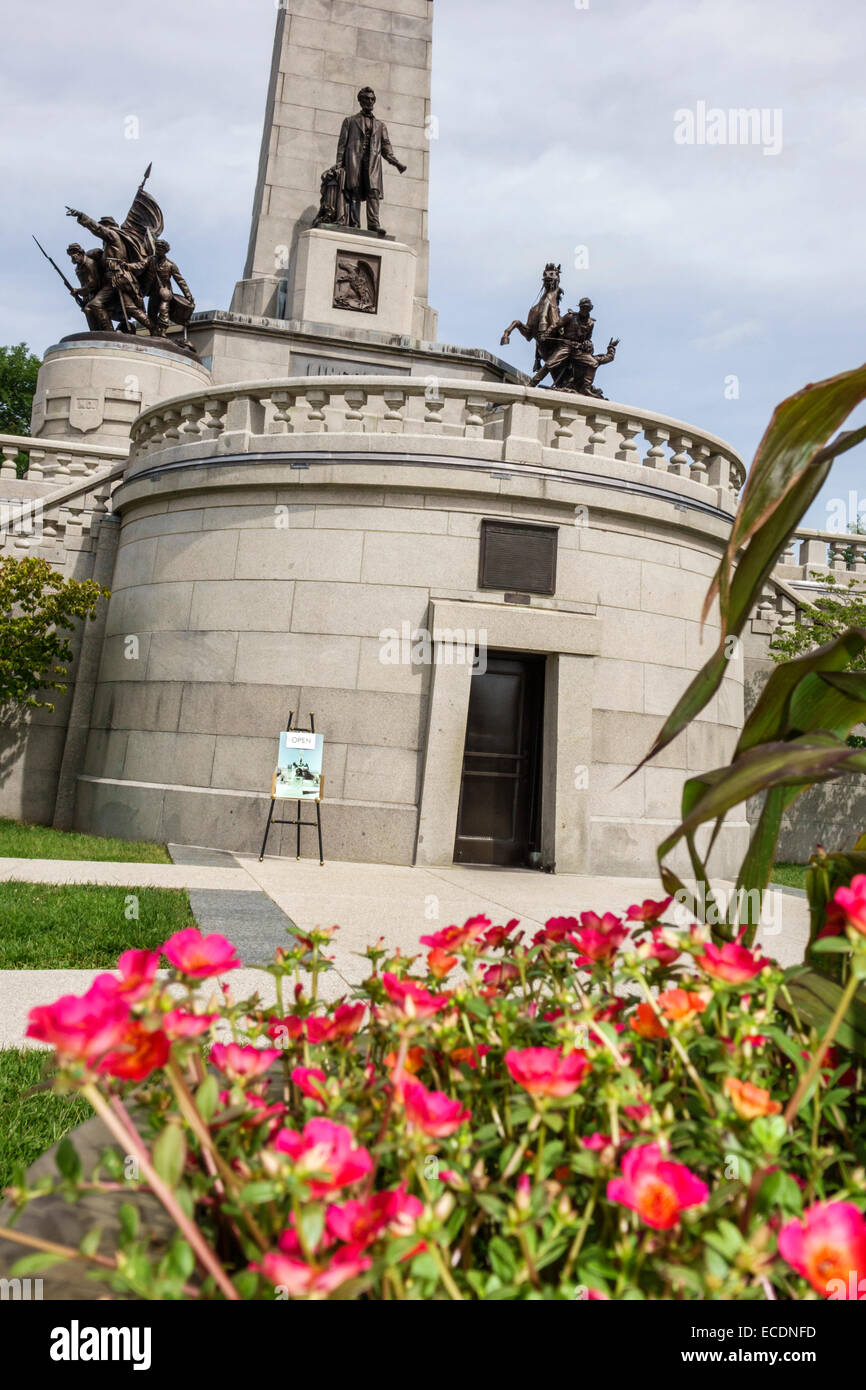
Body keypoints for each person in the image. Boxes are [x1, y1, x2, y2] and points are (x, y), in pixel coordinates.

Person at [335, 87, 406, 235]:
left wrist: (397, 163)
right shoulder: (350, 121)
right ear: (360, 101)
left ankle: (374, 224)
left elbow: (386, 149)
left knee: (373, 191)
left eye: (372, 99)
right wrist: (339, 164)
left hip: (372, 163)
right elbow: (342, 146)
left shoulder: (380, 126)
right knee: (354, 190)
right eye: (367, 99)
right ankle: (354, 223)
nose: (370, 101)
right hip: (354, 160)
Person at [146, 240, 195, 342]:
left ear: (165, 251)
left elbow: (180, 280)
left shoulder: (170, 265)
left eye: (160, 249)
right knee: (151, 313)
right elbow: (139, 266)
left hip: (165, 292)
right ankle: (154, 332)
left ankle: (163, 331)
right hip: (153, 292)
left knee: (164, 310)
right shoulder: (151, 260)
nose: (158, 251)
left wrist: (188, 295)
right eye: (157, 248)